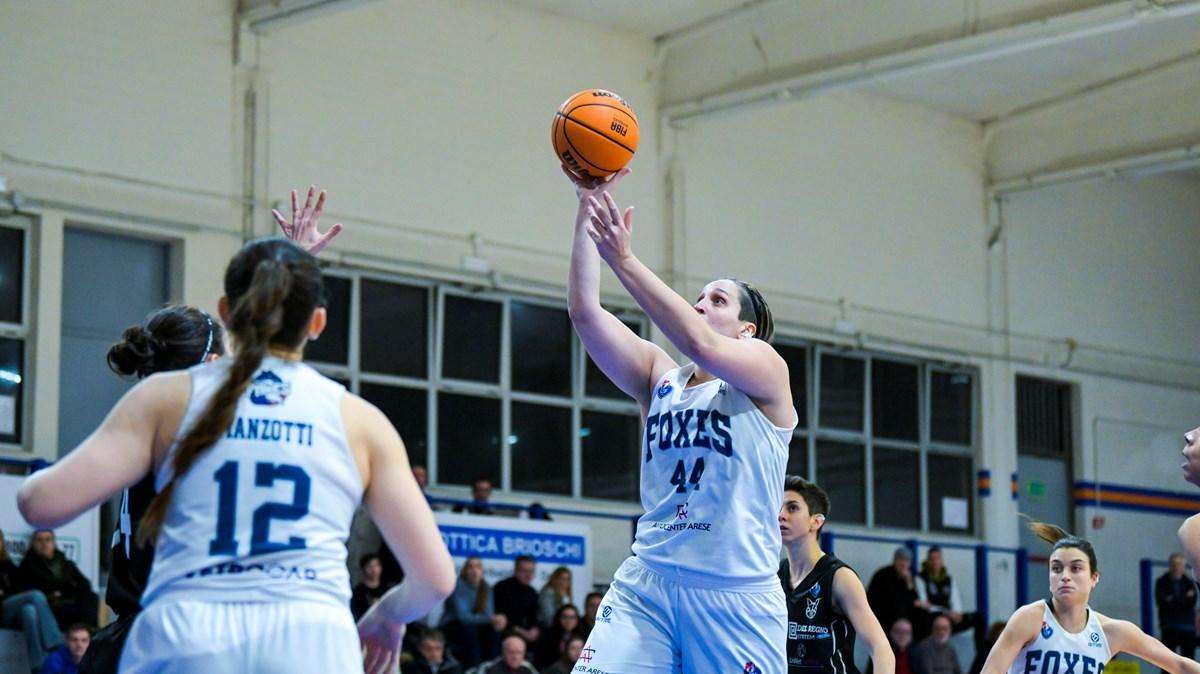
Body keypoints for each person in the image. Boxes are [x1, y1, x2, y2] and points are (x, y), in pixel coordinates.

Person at [17, 235, 456, 674]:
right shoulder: (359, 420)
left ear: (225, 313)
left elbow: (40, 505)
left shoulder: (167, 397)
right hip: (312, 639)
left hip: (188, 634)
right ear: (318, 324)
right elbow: (436, 579)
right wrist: (386, 616)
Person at [77, 190, 338, 674]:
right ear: (213, 364)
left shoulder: (139, 420)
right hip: (174, 641)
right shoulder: (207, 429)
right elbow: (278, 370)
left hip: (120, 642)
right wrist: (293, 272)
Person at [563, 165, 794, 671]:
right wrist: (587, 206)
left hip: (736, 596)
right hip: (649, 581)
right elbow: (584, 310)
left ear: (748, 330)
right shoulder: (657, 375)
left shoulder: (766, 374)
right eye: (698, 298)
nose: (699, 305)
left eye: (717, 300)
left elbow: (699, 341)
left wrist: (624, 259)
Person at [977, 521, 1200, 674]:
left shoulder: (1111, 631)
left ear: (1094, 578)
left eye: (1075, 569)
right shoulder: (1030, 618)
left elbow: (1179, 665)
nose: (1064, 576)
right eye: (1056, 569)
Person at [779, 476, 893, 674]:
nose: (781, 515)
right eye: (779, 508)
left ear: (816, 521)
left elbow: (881, 649)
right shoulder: (773, 575)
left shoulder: (840, 578)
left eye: (792, 508)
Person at [0, 529, 64, 671]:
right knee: (36, 595)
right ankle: (57, 644)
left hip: (11, 611)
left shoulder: (7, 566)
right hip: (2, 610)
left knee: (28, 611)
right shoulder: (26, 564)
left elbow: (18, 589)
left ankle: (38, 666)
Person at [17, 530, 99, 629]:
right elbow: (26, 590)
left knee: (91, 597)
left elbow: (84, 583)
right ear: (33, 544)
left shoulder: (65, 563)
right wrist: (52, 594)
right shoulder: (27, 565)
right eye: (39, 540)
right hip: (47, 605)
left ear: (54, 543)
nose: (44, 543)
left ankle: (90, 633)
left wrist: (68, 592)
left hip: (68, 599)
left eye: (48, 539)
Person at [442, 556, 506, 666]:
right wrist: (491, 619)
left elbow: (488, 614)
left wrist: (496, 621)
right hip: (453, 625)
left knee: (494, 631)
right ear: (465, 571)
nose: (474, 570)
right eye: (470, 567)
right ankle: (474, 668)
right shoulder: (457, 586)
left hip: (477, 625)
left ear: (482, 571)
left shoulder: (486, 588)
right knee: (470, 630)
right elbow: (464, 618)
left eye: (478, 567)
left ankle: (491, 667)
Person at [915, 547, 981, 642]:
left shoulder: (948, 579)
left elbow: (955, 599)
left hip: (950, 617)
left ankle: (981, 655)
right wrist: (946, 612)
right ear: (928, 561)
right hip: (933, 617)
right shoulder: (920, 578)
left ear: (942, 561)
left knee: (978, 618)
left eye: (937, 558)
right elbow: (925, 604)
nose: (935, 562)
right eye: (932, 559)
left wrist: (957, 613)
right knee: (924, 617)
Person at [1156, 553, 1197, 661]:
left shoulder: (1189, 583)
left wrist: (1173, 599)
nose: (1177, 567)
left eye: (1179, 564)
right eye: (1174, 564)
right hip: (1169, 626)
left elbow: (1192, 602)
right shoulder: (1162, 582)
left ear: (1183, 567)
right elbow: (1162, 602)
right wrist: (1183, 598)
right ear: (1170, 566)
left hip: (1187, 627)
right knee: (1167, 661)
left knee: (1189, 661)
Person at [868, 548, 919, 633]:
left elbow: (914, 601)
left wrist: (909, 583)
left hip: (905, 621)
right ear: (894, 560)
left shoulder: (910, 578)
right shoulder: (882, 575)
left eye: (906, 561)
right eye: (901, 559)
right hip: (884, 618)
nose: (903, 563)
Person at [493, 556, 540, 645]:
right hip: (508, 629)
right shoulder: (502, 588)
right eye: (525, 571)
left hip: (527, 631)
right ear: (516, 571)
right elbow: (500, 615)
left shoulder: (532, 592)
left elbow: (535, 616)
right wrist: (521, 631)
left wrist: (535, 629)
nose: (528, 575)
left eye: (531, 571)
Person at [533, 604, 581, 670]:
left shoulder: (583, 636)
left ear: (577, 619)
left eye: (572, 617)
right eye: (565, 617)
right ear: (558, 618)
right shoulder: (548, 637)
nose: (568, 621)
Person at [353, 554, 395, 620]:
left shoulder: (388, 588)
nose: (374, 570)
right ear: (363, 569)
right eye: (370, 566)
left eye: (377, 565)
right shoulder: (358, 592)